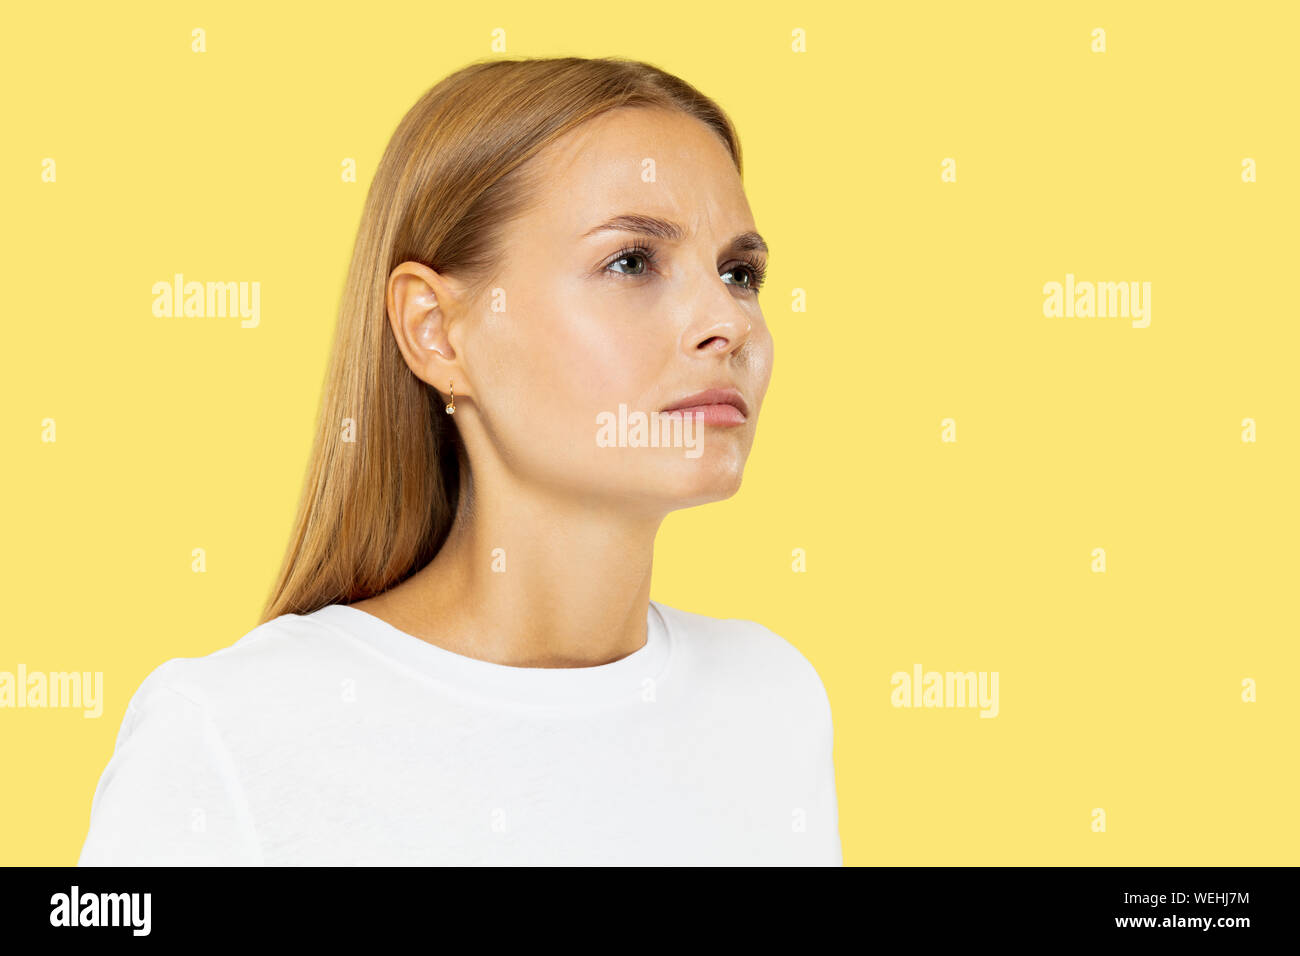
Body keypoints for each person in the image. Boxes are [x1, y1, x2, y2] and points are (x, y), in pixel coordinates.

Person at [77, 55, 841, 866]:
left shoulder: (771, 701)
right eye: (631, 262)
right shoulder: (229, 735)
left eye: (739, 273)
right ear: (436, 331)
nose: (727, 321)